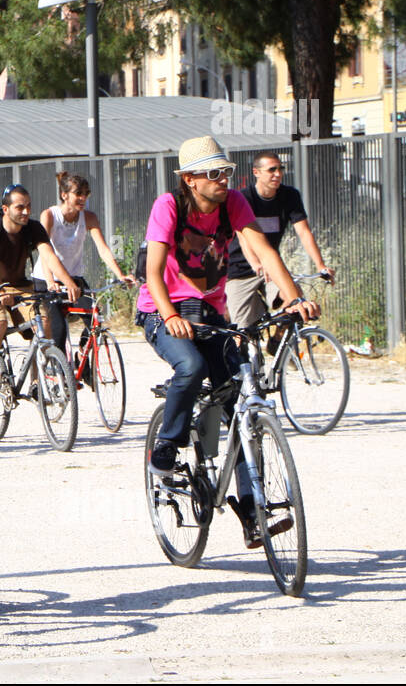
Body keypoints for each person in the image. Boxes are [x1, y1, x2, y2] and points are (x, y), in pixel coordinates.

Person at [138, 137, 318, 548]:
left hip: (213, 315)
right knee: (191, 367)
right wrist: (169, 316)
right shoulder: (168, 206)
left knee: (239, 401)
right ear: (190, 180)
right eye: (213, 173)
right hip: (161, 310)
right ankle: (166, 446)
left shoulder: (234, 202)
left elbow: (264, 251)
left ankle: (252, 511)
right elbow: (152, 272)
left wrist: (294, 298)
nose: (223, 180)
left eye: (226, 172)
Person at [0, 184, 79, 396]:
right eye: (20, 207)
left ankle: (37, 382)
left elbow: (49, 256)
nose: (26, 212)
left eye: (29, 206)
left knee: (43, 322)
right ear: (6, 208)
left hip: (20, 286)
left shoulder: (33, 227)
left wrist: (69, 282)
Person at [226, 151, 335, 328]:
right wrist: (255, 262)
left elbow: (304, 232)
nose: (278, 174)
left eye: (280, 169)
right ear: (256, 172)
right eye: (271, 170)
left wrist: (321, 265)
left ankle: (278, 340)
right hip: (240, 269)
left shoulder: (289, 196)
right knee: (242, 330)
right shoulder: (244, 198)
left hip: (271, 267)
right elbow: (243, 235)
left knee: (293, 298)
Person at [35, 172, 137, 361]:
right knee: (58, 332)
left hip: (74, 277)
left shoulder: (89, 217)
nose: (83, 198)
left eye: (86, 193)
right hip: (47, 278)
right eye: (78, 193)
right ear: (64, 195)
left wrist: (120, 274)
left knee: (95, 319)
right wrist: (51, 281)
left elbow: (103, 249)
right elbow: (44, 251)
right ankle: (61, 375)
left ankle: (82, 355)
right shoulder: (50, 215)